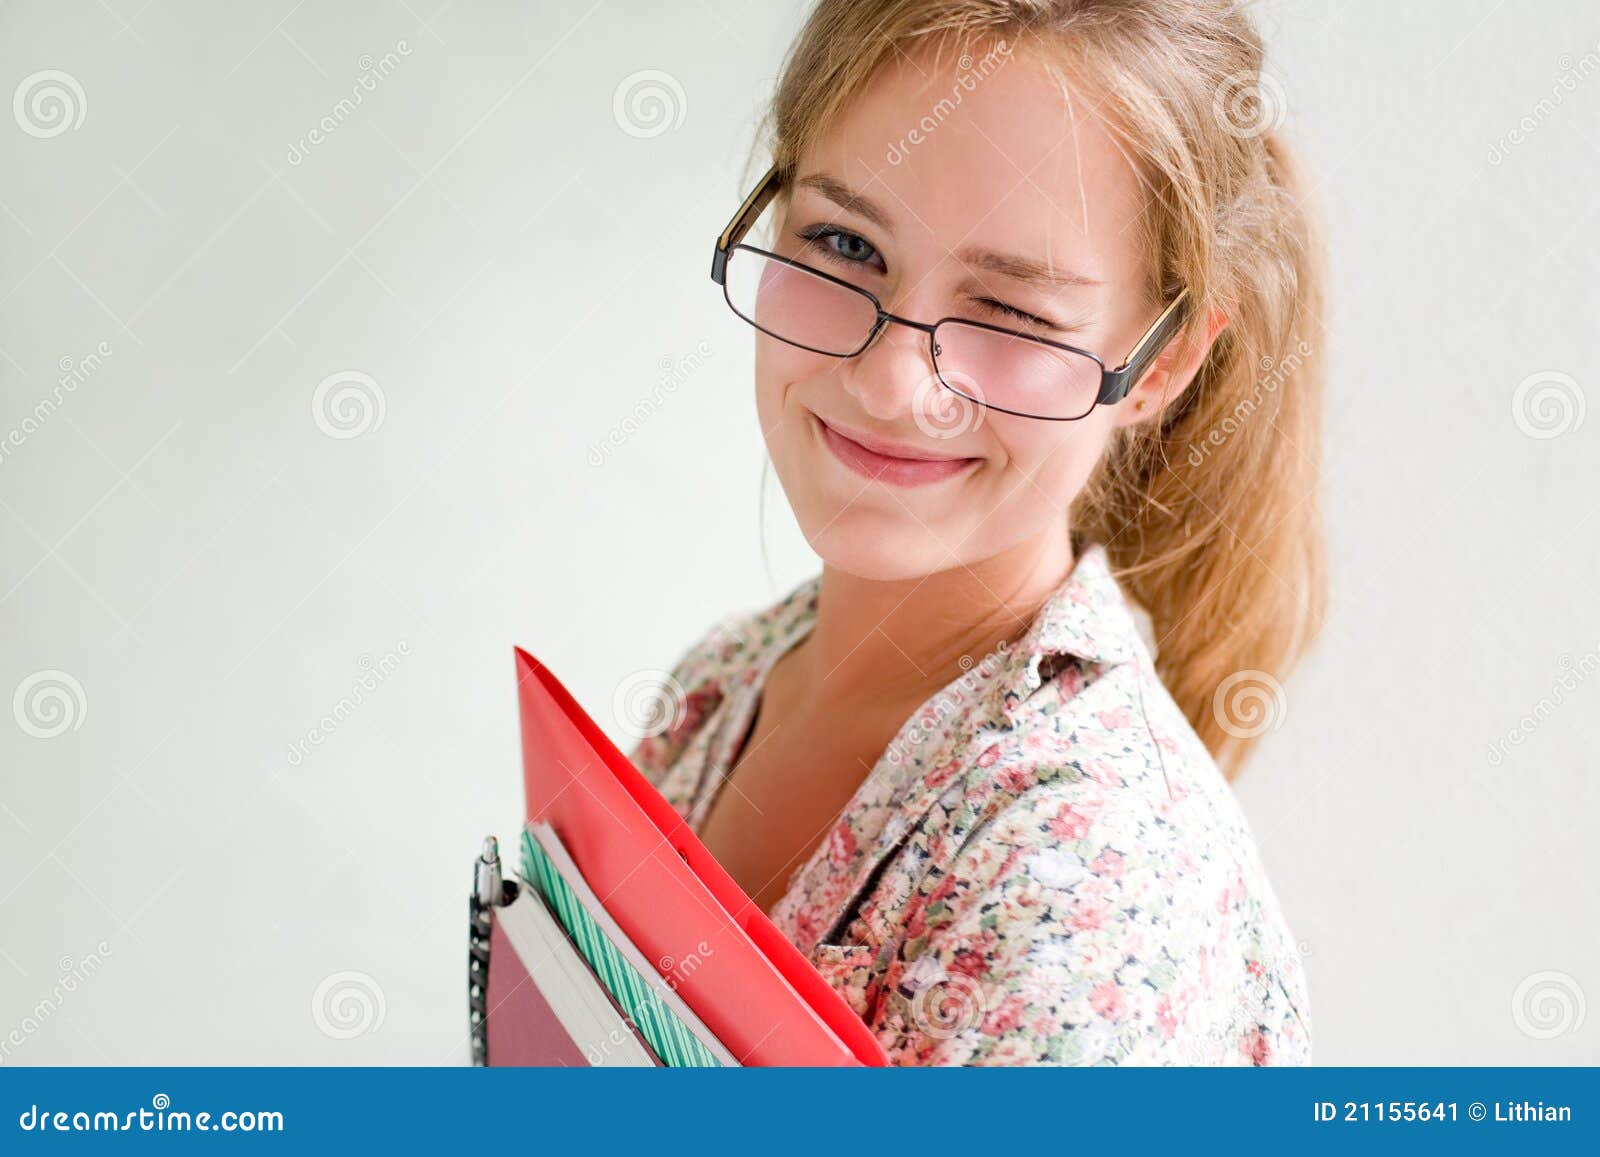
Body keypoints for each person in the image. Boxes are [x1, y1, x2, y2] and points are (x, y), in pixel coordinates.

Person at [630, 0, 1326, 1066]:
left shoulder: (1092, 887)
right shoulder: (720, 684)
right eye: (845, 243)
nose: (890, 384)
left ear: (1161, 364)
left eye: (1011, 313)